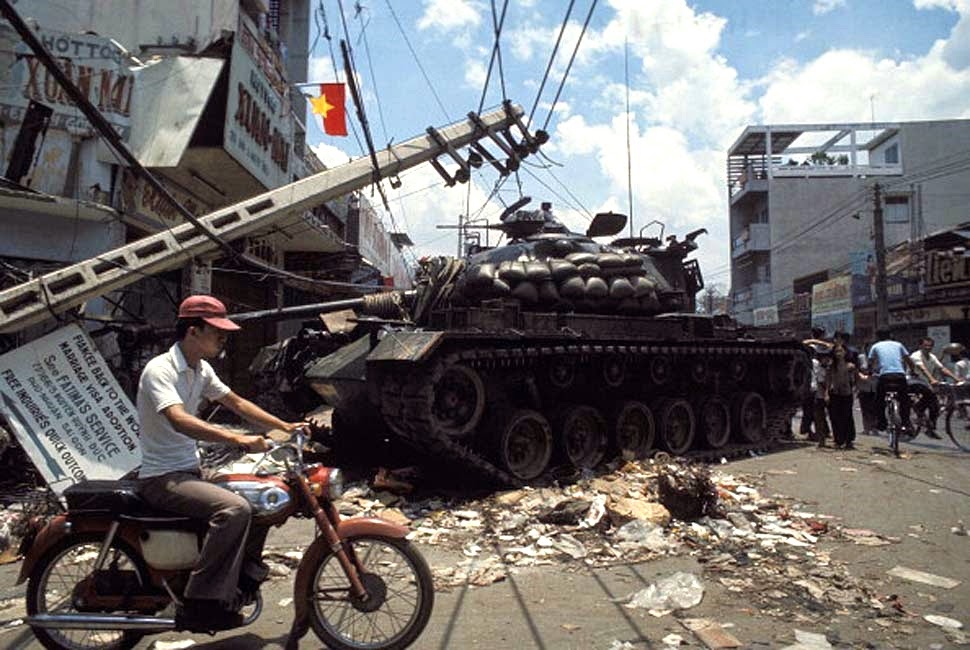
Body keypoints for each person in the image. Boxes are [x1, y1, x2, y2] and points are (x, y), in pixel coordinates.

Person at [137, 295, 306, 630]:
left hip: (190, 469)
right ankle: (201, 603)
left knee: (259, 499)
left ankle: (240, 581)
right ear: (193, 331)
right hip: (162, 476)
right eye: (217, 332)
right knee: (234, 510)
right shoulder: (160, 369)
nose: (223, 338)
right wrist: (238, 439)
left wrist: (285, 426)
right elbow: (179, 420)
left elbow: (236, 402)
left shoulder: (201, 369)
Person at [868, 328, 916, 435]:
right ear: (891, 335)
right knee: (904, 400)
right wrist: (913, 371)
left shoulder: (875, 346)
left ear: (878, 337)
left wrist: (870, 372)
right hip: (900, 376)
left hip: (885, 377)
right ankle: (905, 422)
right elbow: (909, 361)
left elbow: (870, 363)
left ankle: (881, 423)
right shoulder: (899, 345)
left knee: (879, 400)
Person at [908, 336, 958, 438]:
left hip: (926, 383)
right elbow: (922, 369)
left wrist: (956, 378)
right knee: (931, 396)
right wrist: (931, 379)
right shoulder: (915, 356)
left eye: (930, 346)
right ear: (920, 345)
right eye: (925, 345)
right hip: (913, 382)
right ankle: (918, 408)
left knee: (935, 405)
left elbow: (942, 368)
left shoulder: (932, 357)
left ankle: (930, 428)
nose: (928, 347)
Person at [825, 343, 859, 449]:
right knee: (835, 417)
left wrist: (856, 388)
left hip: (847, 393)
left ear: (845, 352)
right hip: (834, 393)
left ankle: (849, 440)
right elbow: (828, 379)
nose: (839, 354)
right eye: (836, 352)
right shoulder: (831, 365)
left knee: (847, 417)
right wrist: (826, 393)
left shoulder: (850, 365)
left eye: (841, 351)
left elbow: (856, 378)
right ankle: (838, 440)